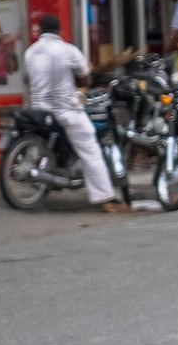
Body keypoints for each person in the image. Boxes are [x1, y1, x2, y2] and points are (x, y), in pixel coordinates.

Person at [23, 13, 125, 214]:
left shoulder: (30, 53)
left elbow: (29, 79)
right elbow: (85, 80)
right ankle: (105, 195)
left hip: (39, 109)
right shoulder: (69, 51)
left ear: (40, 31)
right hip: (65, 110)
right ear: (60, 30)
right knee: (90, 147)